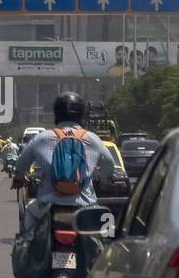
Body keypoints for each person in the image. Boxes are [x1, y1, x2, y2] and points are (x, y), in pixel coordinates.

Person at [13, 92, 115, 233]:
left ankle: (26, 250)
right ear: (81, 114)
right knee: (105, 232)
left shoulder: (42, 137)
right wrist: (102, 177)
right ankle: (103, 253)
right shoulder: (93, 139)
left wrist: (19, 178)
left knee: (29, 215)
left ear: (56, 113)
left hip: (48, 206)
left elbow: (21, 164)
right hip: (85, 205)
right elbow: (110, 164)